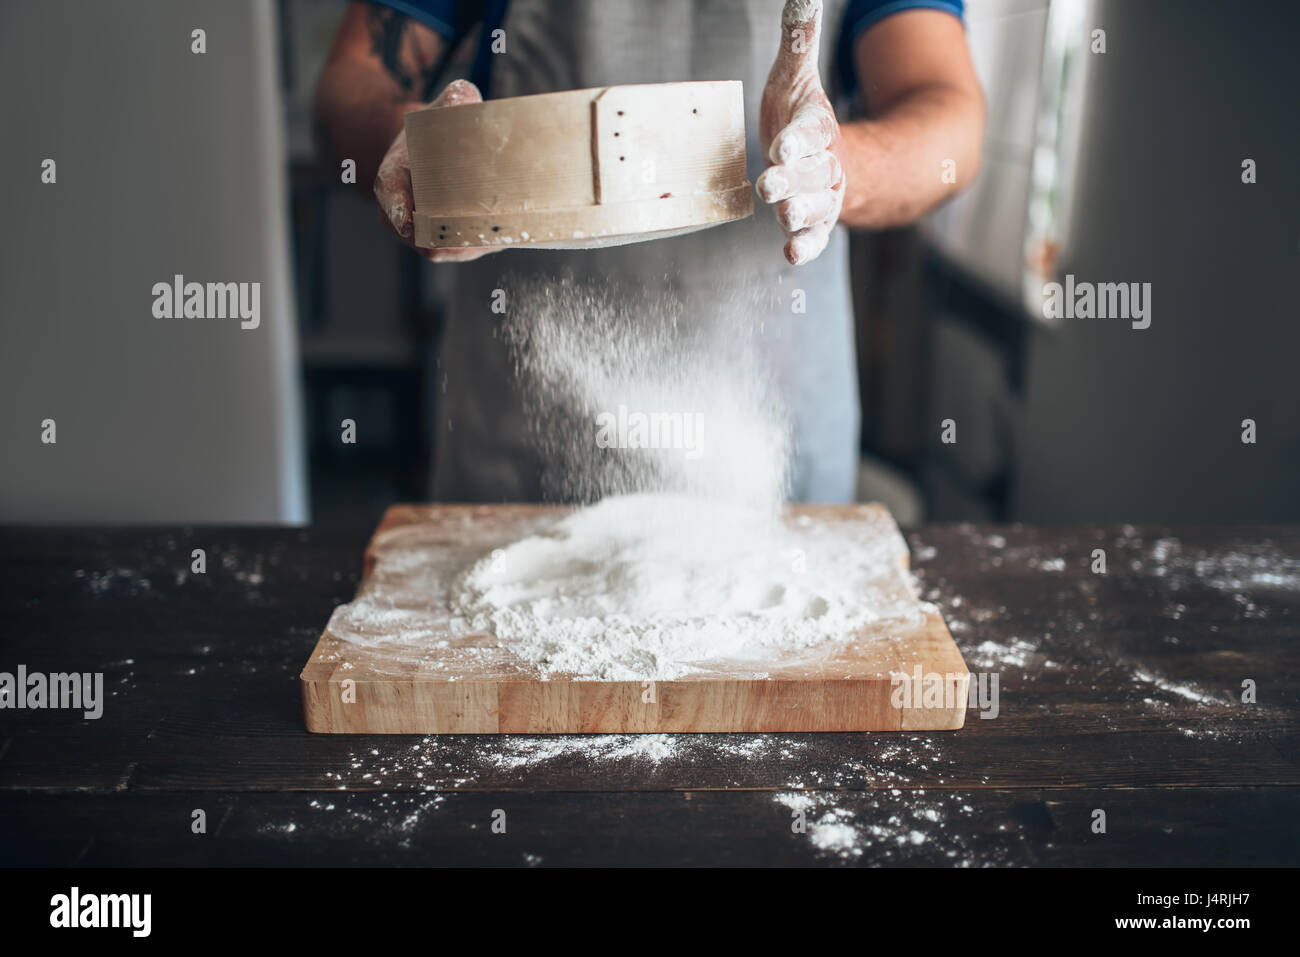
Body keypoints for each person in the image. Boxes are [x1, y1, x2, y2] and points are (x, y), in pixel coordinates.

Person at [315, 0, 983, 503]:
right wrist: (418, 155)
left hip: (767, 415)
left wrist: (833, 167)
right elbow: (354, 79)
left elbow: (948, 112)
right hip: (526, 418)